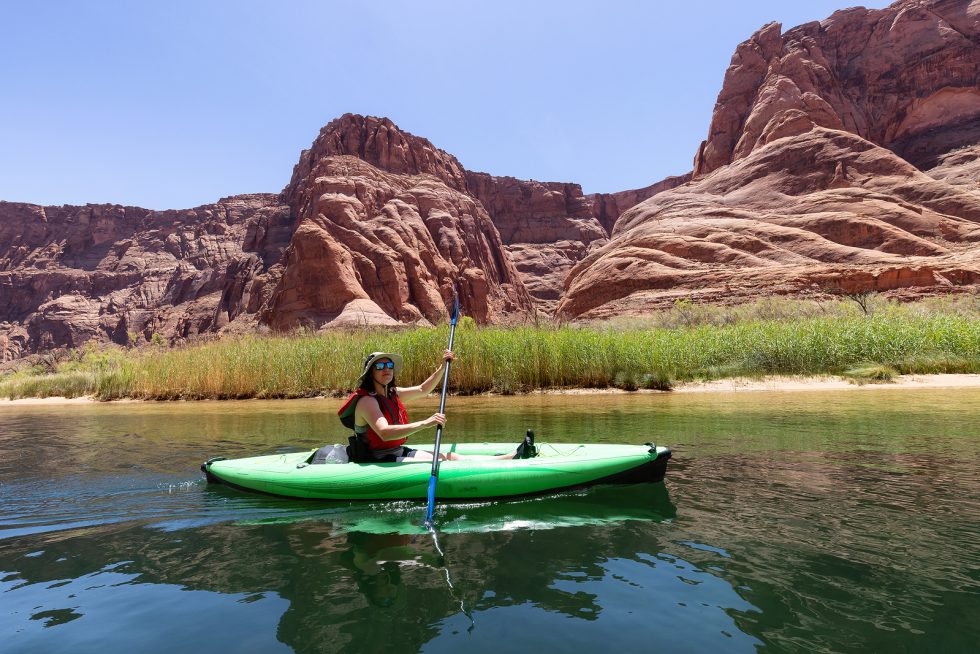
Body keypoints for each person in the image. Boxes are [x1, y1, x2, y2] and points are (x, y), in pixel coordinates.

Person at [338, 350, 535, 462]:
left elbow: (424, 389)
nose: (386, 370)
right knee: (441, 461)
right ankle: (512, 458)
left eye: (389, 365)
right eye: (379, 366)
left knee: (449, 456)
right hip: (377, 459)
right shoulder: (367, 401)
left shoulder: (391, 393)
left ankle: (511, 457)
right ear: (370, 373)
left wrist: (443, 366)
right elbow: (385, 433)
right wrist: (426, 423)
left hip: (395, 452)